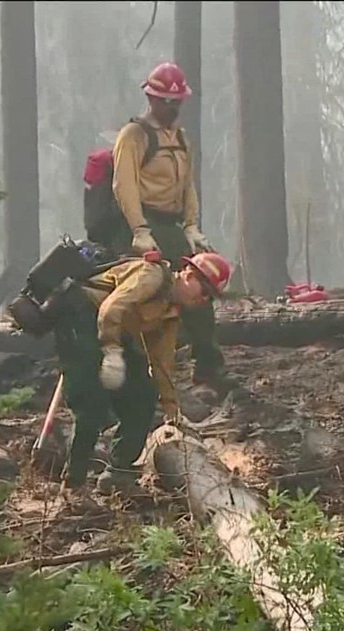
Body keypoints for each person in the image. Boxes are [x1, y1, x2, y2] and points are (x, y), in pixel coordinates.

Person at [56, 249, 233, 495]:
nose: (204, 301)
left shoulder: (171, 312)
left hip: (117, 333)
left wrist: (172, 409)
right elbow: (111, 309)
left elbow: (161, 361)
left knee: (142, 397)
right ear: (189, 276)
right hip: (83, 319)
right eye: (205, 292)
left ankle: (118, 474)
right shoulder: (151, 277)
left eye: (210, 298)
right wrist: (112, 351)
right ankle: (73, 485)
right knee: (91, 404)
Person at [102, 61, 229, 393]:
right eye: (165, 101)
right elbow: (124, 185)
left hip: (173, 226)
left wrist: (191, 226)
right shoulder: (134, 135)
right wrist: (139, 230)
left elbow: (187, 185)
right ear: (151, 98)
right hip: (141, 226)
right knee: (154, 294)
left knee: (201, 288)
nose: (171, 108)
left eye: (176, 102)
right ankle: (138, 372)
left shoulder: (180, 138)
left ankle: (206, 365)